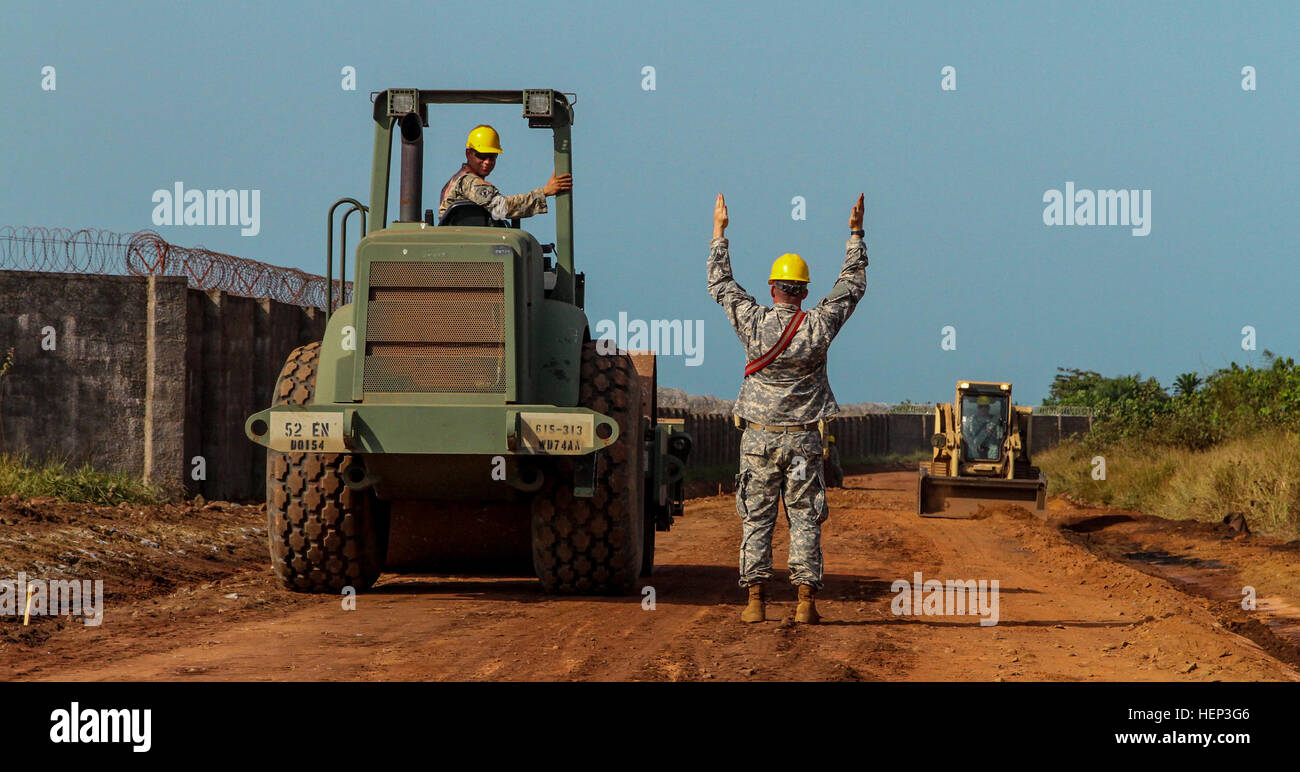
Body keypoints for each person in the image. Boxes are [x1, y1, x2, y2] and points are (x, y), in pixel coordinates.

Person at [707, 192, 868, 624]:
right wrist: (855, 235)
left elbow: (720, 285)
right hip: (803, 443)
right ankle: (804, 603)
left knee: (756, 520)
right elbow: (852, 287)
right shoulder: (818, 325)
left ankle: (756, 601)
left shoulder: (754, 322)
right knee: (804, 519)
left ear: (773, 288)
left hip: (758, 439)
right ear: (804, 291)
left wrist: (720, 232)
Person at [436, 124, 573, 222]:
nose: (487, 162)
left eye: (492, 157)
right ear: (468, 153)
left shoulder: (458, 180)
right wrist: (544, 192)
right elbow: (502, 208)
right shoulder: (470, 182)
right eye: (482, 156)